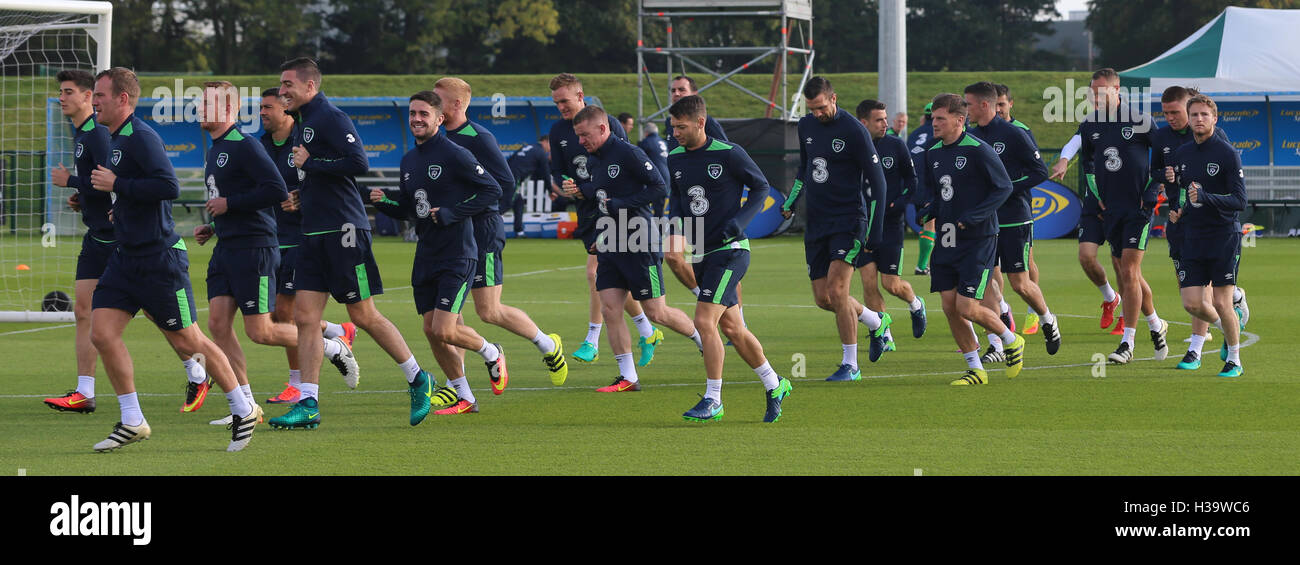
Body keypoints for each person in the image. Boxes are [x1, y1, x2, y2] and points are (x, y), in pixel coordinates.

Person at [85, 67, 257, 451]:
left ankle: (242, 407)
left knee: (189, 341)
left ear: (122, 99)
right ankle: (133, 420)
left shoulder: (142, 137)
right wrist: (122, 206)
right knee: (102, 332)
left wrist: (119, 186)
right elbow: (138, 192)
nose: (94, 101)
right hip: (125, 259)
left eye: (100, 95)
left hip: (160, 261)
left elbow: (168, 186)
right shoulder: (114, 138)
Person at [270, 57, 436, 429]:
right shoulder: (302, 124)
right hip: (312, 232)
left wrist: (313, 164)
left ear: (310, 86)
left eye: (287, 84)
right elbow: (317, 171)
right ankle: (309, 402)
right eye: (281, 85)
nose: (282, 91)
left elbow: (358, 162)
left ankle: (418, 377)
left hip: (344, 230)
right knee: (305, 318)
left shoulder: (331, 117)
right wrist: (301, 194)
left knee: (362, 314)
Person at [44, 69, 211, 415]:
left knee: (160, 315)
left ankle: (201, 372)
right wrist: (84, 198)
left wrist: (73, 181)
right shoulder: (85, 133)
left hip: (123, 240)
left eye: (68, 91)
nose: (62, 97)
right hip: (98, 237)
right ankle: (85, 391)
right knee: (84, 310)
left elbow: (118, 181)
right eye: (60, 91)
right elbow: (103, 184)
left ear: (90, 97)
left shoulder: (103, 135)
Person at [193, 81, 359, 426]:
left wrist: (230, 204)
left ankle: (331, 347)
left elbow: (274, 189)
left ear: (227, 109)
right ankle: (245, 404)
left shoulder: (244, 145)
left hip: (253, 248)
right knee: (218, 325)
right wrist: (214, 223)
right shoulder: (216, 148)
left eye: (206, 104)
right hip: (227, 246)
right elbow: (235, 196)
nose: (199, 110)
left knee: (262, 331)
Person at [372, 90, 505, 414]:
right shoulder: (408, 160)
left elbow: (493, 189)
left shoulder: (454, 153)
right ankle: (465, 396)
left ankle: (491, 353)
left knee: (445, 329)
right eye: (413, 113)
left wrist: (452, 212)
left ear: (439, 119)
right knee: (431, 332)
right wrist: (381, 200)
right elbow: (410, 208)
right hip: (426, 252)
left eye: (424, 114)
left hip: (458, 252)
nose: (417, 119)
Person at [435, 77, 566, 391]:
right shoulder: (437, 137)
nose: (432, 104)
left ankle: (548, 345)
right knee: (448, 311)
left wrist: (484, 213)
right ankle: (458, 387)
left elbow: (505, 183)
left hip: (481, 230)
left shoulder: (478, 137)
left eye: (438, 99)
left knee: (488, 311)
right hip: (451, 232)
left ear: (455, 104)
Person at [667, 94, 792, 422]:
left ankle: (713, 399)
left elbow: (762, 187)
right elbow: (678, 199)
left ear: (700, 123)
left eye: (681, 127)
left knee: (704, 321)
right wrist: (677, 230)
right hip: (700, 252)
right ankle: (774, 382)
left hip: (731, 251)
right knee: (734, 329)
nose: (676, 133)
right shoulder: (676, 157)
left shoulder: (729, 153)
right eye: (673, 127)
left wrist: (739, 221)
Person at [561, 105, 704, 392]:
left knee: (657, 313)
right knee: (611, 308)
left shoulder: (629, 153)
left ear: (603, 129)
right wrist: (583, 195)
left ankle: (704, 339)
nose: (581, 141)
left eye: (584, 135)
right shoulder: (593, 160)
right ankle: (628, 376)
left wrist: (620, 205)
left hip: (639, 239)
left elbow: (659, 188)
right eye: (577, 136)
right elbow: (601, 194)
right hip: (609, 241)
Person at [780, 77, 891, 382]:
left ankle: (850, 364)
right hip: (817, 222)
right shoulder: (805, 126)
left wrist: (876, 230)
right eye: (812, 108)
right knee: (823, 298)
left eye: (821, 107)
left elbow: (878, 181)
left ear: (833, 98)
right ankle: (875, 322)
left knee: (838, 290)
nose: (817, 114)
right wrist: (790, 201)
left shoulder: (854, 130)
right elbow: (804, 168)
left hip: (848, 220)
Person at [548, 73, 663, 366]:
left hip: (611, 209)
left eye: (564, 100)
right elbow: (560, 173)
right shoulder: (558, 131)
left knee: (595, 273)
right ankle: (647, 331)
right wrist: (567, 186)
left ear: (580, 95)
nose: (561, 106)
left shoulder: (606, 124)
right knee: (612, 279)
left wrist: (610, 199)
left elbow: (620, 166)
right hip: (586, 207)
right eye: (556, 102)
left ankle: (592, 339)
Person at [257, 87, 358, 406]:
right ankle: (337, 330)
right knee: (278, 313)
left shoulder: (303, 140)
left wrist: (300, 199)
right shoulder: (260, 145)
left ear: (284, 111)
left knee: (283, 314)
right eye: (260, 107)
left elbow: (328, 179)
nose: (262, 113)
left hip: (303, 236)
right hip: (273, 238)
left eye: (268, 107)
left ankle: (297, 384)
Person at [915, 93, 1025, 386]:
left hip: (979, 238)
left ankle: (1011, 339)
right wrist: (928, 210)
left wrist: (975, 216)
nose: (933, 123)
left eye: (940, 118)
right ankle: (976, 369)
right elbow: (941, 194)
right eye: (932, 118)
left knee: (966, 306)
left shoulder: (978, 149)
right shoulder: (933, 153)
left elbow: (1002, 188)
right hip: (947, 237)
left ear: (959, 120)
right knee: (950, 306)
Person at [1077, 68, 1170, 365]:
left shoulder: (1140, 120)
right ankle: (1156, 324)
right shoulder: (1089, 125)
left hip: (1137, 209)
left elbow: (1162, 159)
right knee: (1125, 271)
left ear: (1118, 91)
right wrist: (1098, 195)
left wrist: (1151, 193)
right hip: (1111, 209)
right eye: (1093, 91)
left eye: (1103, 90)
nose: (1097, 96)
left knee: (1128, 272)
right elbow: (1088, 164)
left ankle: (1127, 342)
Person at [964, 82, 1062, 358]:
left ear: (985, 105)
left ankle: (1046, 319)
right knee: (986, 281)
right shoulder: (971, 136)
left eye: (969, 104)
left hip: (1013, 217)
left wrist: (1006, 189)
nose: (965, 109)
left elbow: (1039, 171)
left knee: (1019, 282)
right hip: (985, 220)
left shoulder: (1013, 133)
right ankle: (997, 344)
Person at [1149, 86, 1242, 370]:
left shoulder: (1227, 153)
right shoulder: (1184, 151)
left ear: (1214, 118)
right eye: (1195, 115)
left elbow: (1240, 200)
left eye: (1204, 114)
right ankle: (1229, 330)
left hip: (1223, 234)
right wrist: (1178, 209)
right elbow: (1182, 186)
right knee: (1191, 302)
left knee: (1220, 300)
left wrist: (1204, 199)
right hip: (1190, 232)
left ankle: (1234, 360)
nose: (1198, 119)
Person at [854, 99, 927, 345]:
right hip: (863, 225)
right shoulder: (855, 148)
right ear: (864, 123)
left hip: (890, 225)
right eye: (879, 120)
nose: (886, 123)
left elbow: (912, 181)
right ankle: (884, 334)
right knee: (867, 280)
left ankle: (916, 304)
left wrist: (899, 203)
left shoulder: (896, 146)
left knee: (891, 284)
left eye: (886, 118)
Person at [908, 102, 937, 276]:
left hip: (914, 184)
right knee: (933, 224)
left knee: (928, 223)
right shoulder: (939, 132)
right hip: (931, 185)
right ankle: (922, 265)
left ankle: (923, 264)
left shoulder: (915, 133)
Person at [506, 135, 551, 237]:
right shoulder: (541, 153)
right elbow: (546, 175)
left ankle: (519, 231)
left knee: (519, 201)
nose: (550, 148)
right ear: (545, 141)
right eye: (550, 144)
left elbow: (510, 159)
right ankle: (487, 228)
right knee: (506, 204)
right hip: (514, 178)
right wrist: (551, 191)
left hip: (508, 176)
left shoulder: (528, 147)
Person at [638, 122, 671, 216]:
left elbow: (638, 161)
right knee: (659, 208)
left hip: (656, 180)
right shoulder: (663, 142)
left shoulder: (647, 142)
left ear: (646, 133)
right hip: (667, 178)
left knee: (646, 207)